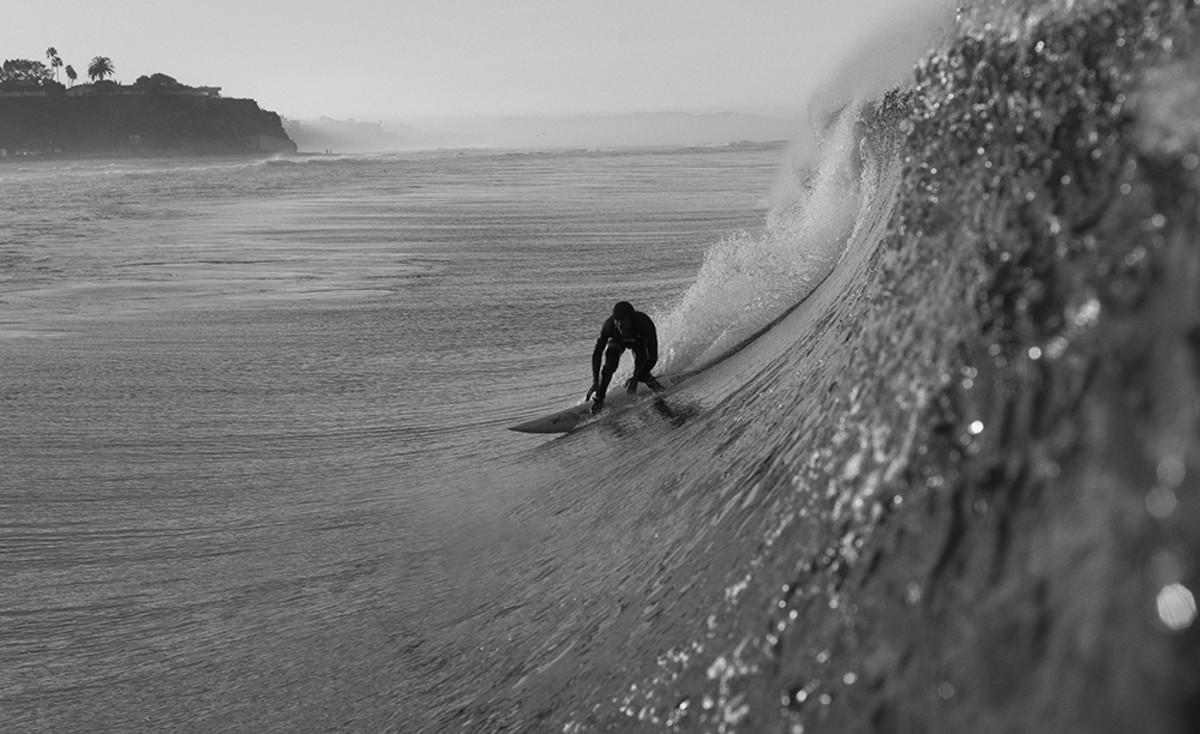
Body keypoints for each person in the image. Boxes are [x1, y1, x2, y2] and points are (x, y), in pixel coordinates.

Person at [586, 301, 665, 414]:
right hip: (618, 341)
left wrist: (636, 376)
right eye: (617, 321)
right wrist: (595, 381)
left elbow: (652, 358)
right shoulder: (609, 326)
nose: (619, 325)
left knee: (642, 372)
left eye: (623, 321)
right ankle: (599, 400)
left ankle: (658, 390)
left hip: (639, 343)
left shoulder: (644, 324)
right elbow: (597, 352)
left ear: (631, 319)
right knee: (609, 366)